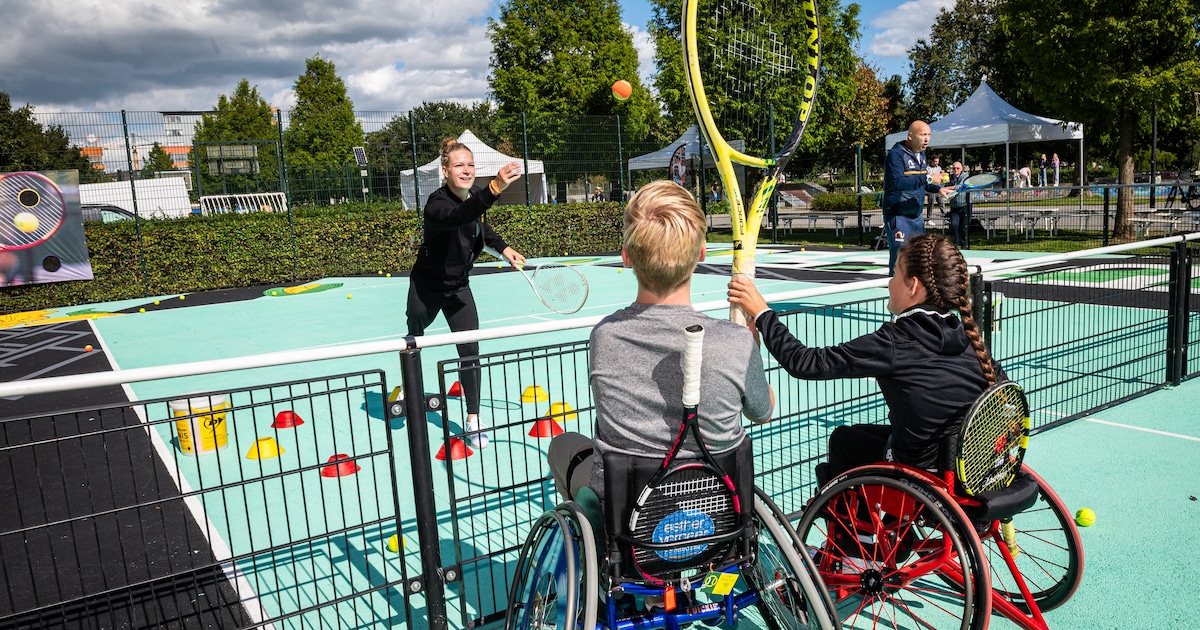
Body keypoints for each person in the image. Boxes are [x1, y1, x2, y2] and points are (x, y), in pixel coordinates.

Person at [547, 180, 774, 506]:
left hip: (630, 518)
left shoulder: (605, 336)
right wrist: (751, 347)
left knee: (563, 445)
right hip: (716, 512)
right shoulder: (736, 342)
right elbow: (763, 411)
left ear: (626, 257)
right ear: (701, 253)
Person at [727, 233, 1003, 485]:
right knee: (860, 434)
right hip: (971, 468)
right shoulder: (968, 337)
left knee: (843, 442)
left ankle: (856, 539)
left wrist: (763, 314)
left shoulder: (896, 341)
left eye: (894, 274)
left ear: (913, 286)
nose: (889, 283)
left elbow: (805, 362)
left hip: (923, 473)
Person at [407, 138, 526, 449]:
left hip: (459, 289)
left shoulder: (474, 197)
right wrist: (495, 189)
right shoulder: (436, 204)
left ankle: (473, 418)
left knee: (470, 352)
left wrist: (504, 248)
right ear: (445, 171)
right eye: (459, 165)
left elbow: (480, 227)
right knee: (414, 340)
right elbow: (458, 217)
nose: (466, 170)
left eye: (470, 164)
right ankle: (411, 385)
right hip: (427, 286)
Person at [882, 121, 953, 275]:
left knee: (919, 257)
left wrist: (938, 188)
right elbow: (898, 182)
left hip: (916, 216)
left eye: (928, 135)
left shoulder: (922, 155)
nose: (926, 139)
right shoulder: (896, 155)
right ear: (910, 136)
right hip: (898, 215)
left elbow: (920, 183)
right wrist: (928, 178)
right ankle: (896, 293)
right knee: (900, 257)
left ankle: (916, 294)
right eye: (922, 135)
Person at [946, 161, 970, 248]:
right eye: (954, 168)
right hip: (954, 206)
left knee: (964, 227)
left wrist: (948, 188)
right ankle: (954, 245)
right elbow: (943, 185)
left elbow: (960, 186)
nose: (955, 170)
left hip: (964, 205)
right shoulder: (950, 177)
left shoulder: (965, 176)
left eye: (957, 168)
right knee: (954, 226)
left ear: (961, 169)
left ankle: (964, 246)